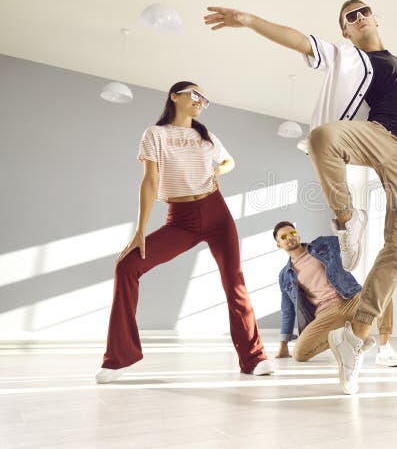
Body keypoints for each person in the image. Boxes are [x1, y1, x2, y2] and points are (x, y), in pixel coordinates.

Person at [204, 0, 397, 394]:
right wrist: (251, 21)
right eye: (349, 18)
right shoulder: (351, 58)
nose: (358, 19)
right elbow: (302, 42)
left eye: (363, 12)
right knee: (323, 137)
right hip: (379, 136)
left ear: (376, 18)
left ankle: (354, 339)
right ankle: (347, 218)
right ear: (346, 32)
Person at [95, 82, 273, 383]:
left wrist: (218, 171)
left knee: (234, 283)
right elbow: (150, 182)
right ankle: (118, 358)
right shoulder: (155, 134)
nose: (200, 101)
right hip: (181, 220)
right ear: (174, 96)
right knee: (126, 266)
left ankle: (254, 358)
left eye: (204, 98)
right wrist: (140, 229)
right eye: (194, 94)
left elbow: (229, 161)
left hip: (217, 214)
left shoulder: (206, 136)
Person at [273, 221, 397, 367]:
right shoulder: (285, 275)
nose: (290, 238)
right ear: (279, 244)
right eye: (284, 237)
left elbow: (348, 242)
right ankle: (354, 338)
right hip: (325, 314)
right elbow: (288, 310)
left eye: (292, 233)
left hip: (351, 298)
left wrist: (345, 223)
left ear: (297, 234)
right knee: (299, 354)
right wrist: (283, 344)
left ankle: (384, 349)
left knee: (382, 290)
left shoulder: (322, 245)